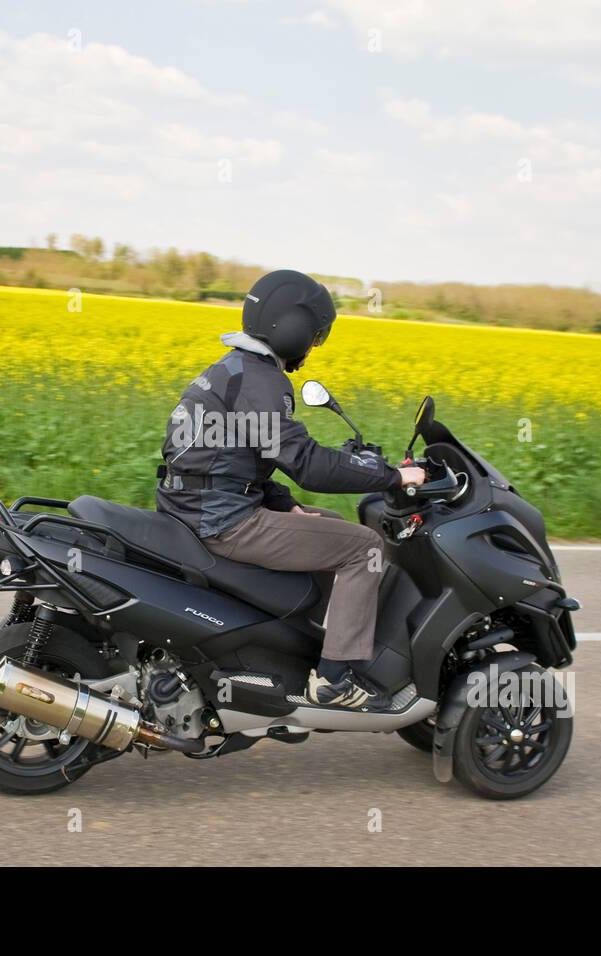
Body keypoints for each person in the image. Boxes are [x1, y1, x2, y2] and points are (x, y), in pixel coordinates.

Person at [156, 269, 427, 712]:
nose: (313, 347)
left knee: (330, 524)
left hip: (196, 505)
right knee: (364, 548)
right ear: (293, 324)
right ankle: (334, 680)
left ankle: (304, 647)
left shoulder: (231, 368)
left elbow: (238, 458)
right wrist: (392, 477)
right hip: (223, 520)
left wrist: (286, 505)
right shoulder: (262, 380)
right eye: (316, 337)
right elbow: (306, 463)